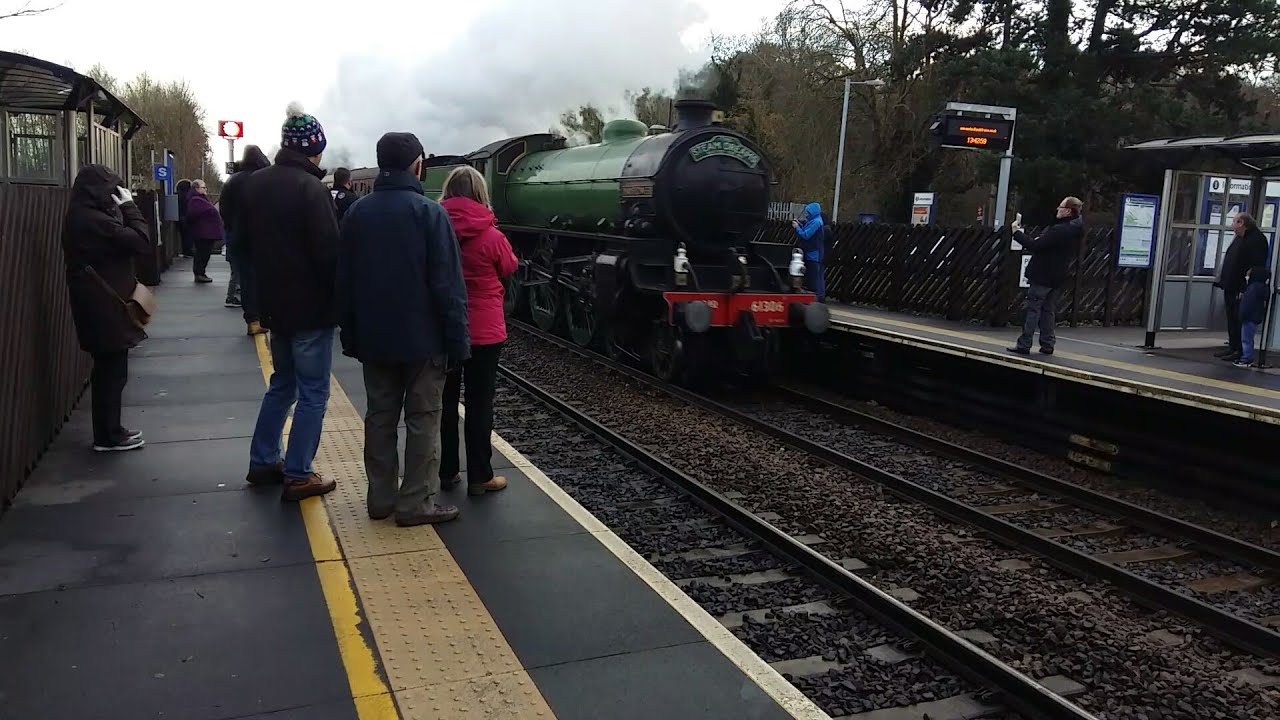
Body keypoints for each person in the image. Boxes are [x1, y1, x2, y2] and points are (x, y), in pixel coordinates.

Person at [336, 132, 470, 526]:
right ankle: (415, 502)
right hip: (423, 340)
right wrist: (458, 342)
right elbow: (448, 286)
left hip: (375, 338)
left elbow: (343, 281)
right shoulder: (430, 214)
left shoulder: (358, 213)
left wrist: (350, 333)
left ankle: (379, 498)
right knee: (423, 419)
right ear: (418, 164)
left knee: (379, 416)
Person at [240, 103, 340, 501]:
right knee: (314, 391)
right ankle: (299, 473)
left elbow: (243, 246)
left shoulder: (256, 184)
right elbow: (329, 254)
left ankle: (263, 460)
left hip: (273, 306)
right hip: (311, 309)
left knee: (282, 384)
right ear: (314, 150)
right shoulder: (311, 189)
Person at [438, 166, 519, 496]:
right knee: (480, 402)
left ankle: (446, 471)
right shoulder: (492, 235)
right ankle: (481, 476)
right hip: (485, 330)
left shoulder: (435, 226)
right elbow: (509, 267)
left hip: (444, 325)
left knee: (444, 402)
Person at [61, 165, 152, 452]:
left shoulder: (81, 217)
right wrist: (129, 207)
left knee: (109, 370)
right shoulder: (93, 221)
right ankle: (108, 435)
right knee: (112, 371)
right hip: (105, 306)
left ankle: (110, 430)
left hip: (98, 302)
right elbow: (140, 241)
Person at [1007, 196, 1085, 356]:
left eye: (1061, 207)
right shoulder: (1076, 229)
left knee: (1033, 310)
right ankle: (1047, 344)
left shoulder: (1060, 230)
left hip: (1042, 275)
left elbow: (1036, 246)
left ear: (1068, 211)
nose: (1058, 209)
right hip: (1057, 276)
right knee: (1048, 311)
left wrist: (1016, 233)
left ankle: (1024, 344)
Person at [219, 145, 271, 335]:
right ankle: (261, 317)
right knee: (261, 279)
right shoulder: (262, 180)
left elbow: (223, 210)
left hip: (237, 236)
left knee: (247, 279)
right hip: (259, 237)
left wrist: (232, 227)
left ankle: (253, 319)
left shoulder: (232, 181)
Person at [1215, 212, 1269, 362]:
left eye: (1234, 221)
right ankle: (1233, 346)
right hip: (1231, 284)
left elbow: (1252, 265)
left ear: (1242, 223)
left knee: (1240, 317)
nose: (1232, 224)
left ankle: (1241, 350)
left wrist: (1244, 287)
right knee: (1231, 317)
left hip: (1242, 286)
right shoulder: (1240, 238)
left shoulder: (1255, 240)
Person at [185, 179, 222, 283]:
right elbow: (192, 215)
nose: (206, 189)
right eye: (203, 187)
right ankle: (199, 274)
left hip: (206, 232)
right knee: (202, 253)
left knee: (204, 253)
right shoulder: (196, 200)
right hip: (203, 233)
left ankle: (201, 273)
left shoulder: (200, 199)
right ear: (197, 189)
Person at [1235, 265, 1270, 368]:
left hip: (1249, 317)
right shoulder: (1262, 287)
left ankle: (1246, 359)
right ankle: (1247, 358)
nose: (1247, 277)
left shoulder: (1253, 288)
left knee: (1246, 339)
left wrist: (1241, 315)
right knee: (1248, 338)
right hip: (1254, 316)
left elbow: (1247, 304)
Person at [791, 202, 825, 301]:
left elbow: (806, 235)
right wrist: (800, 225)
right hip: (811, 252)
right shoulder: (814, 221)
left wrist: (797, 227)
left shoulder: (816, 222)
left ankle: (814, 296)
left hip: (813, 254)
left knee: (812, 275)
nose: (807, 214)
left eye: (808, 212)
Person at [176, 179, 193, 258]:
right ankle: (188, 251)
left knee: (183, 235)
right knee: (188, 235)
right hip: (186, 217)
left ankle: (184, 251)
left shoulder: (177, 196)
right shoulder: (188, 196)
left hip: (178, 217)